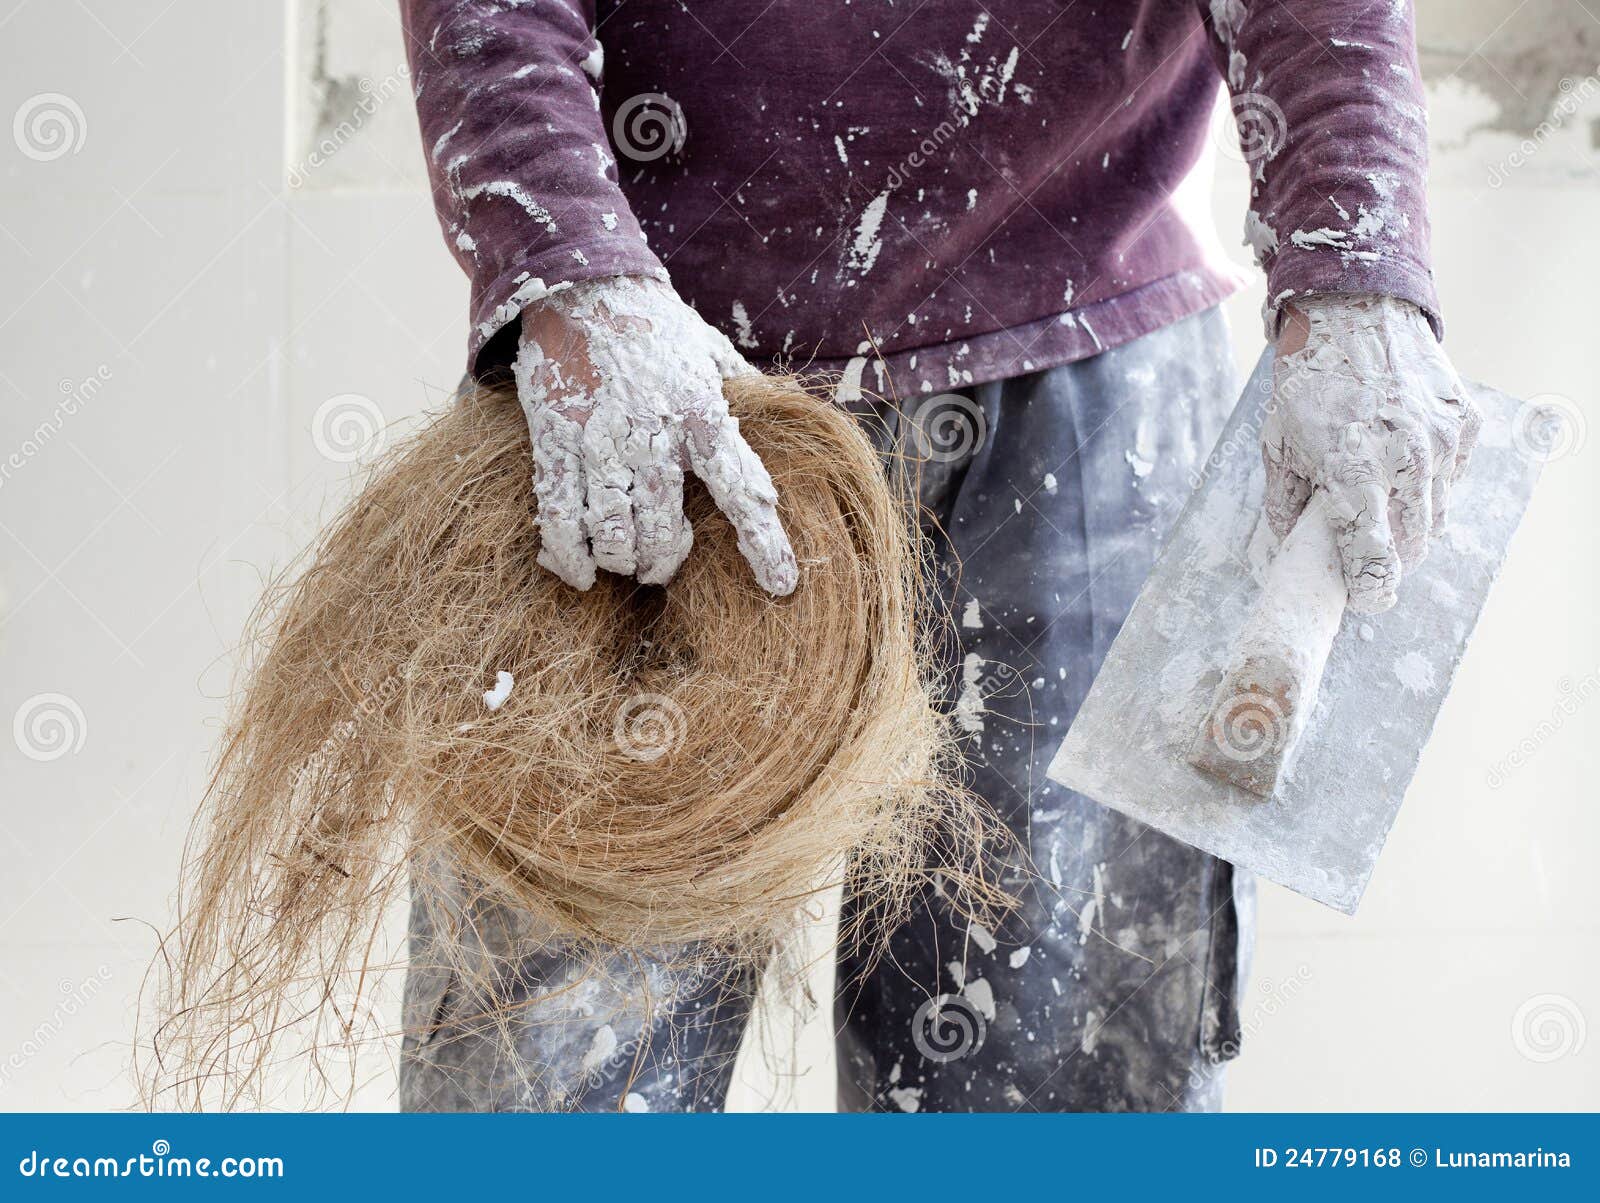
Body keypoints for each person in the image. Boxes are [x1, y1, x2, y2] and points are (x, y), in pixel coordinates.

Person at [395, 0, 1479, 1113]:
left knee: (1057, 1094)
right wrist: (567, 265)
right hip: (653, 370)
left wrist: (1362, 268)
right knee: (552, 1088)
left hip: (1093, 344)